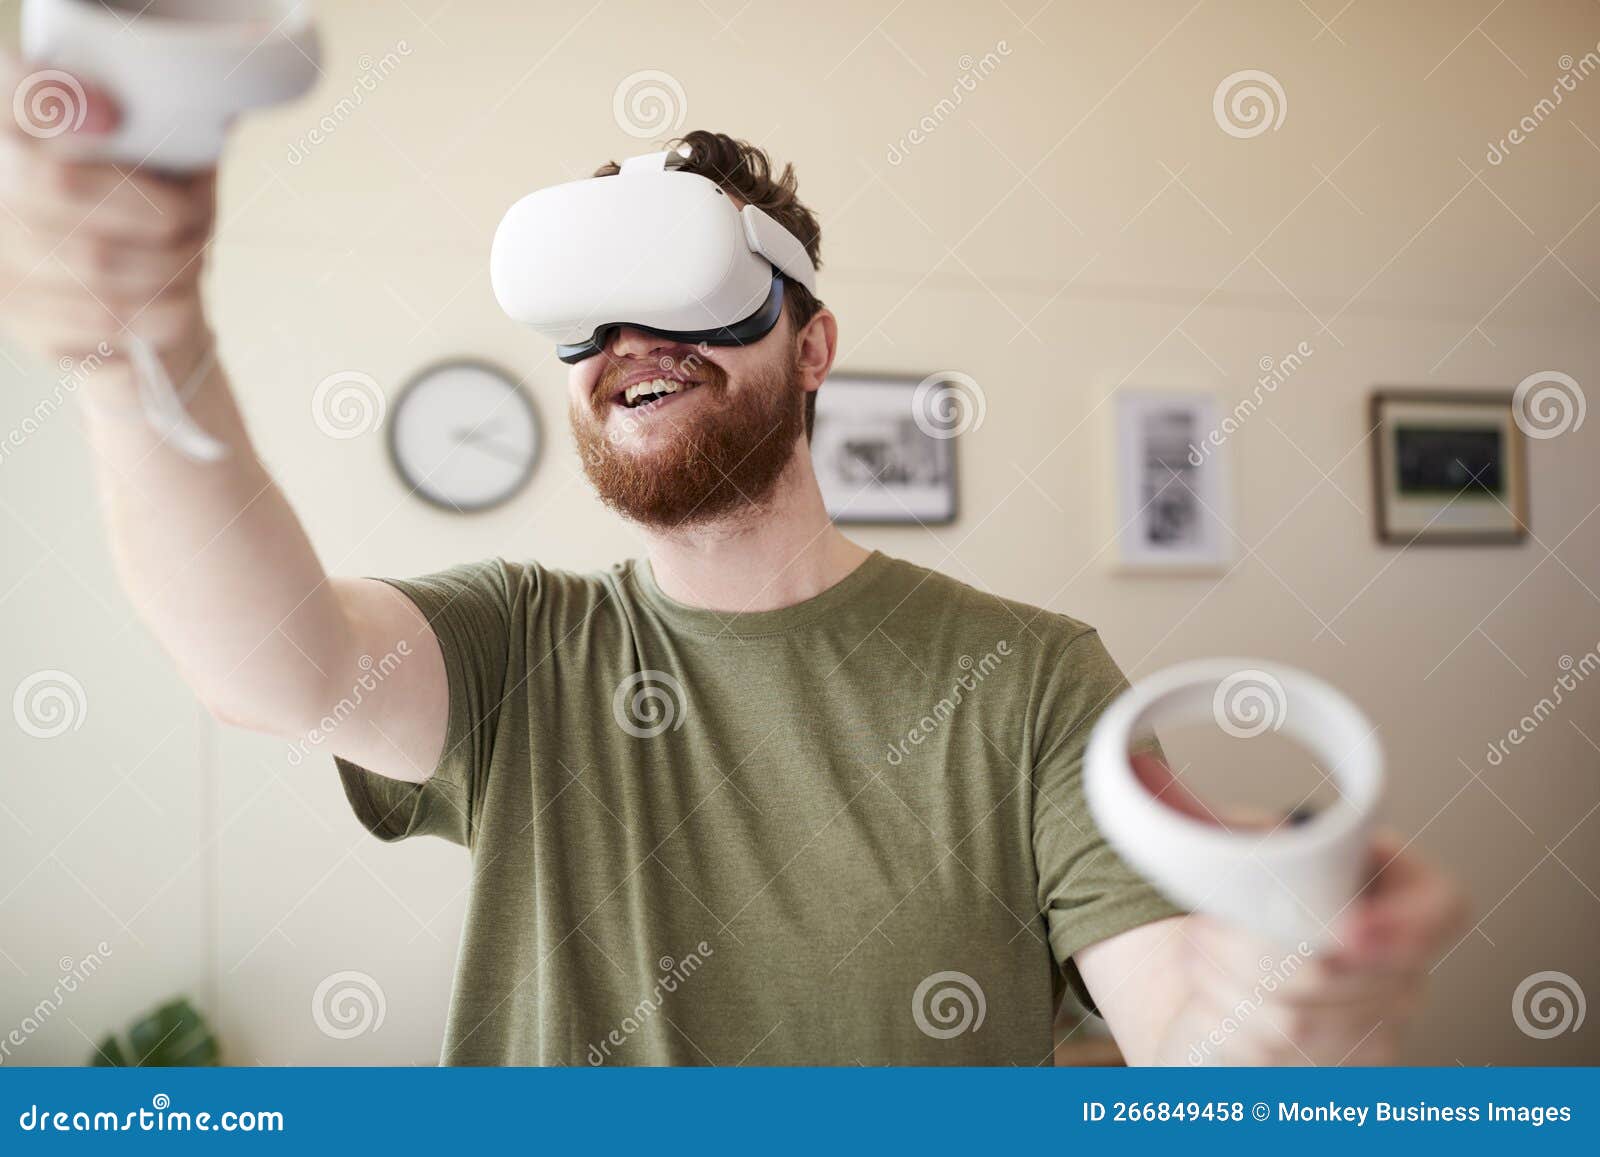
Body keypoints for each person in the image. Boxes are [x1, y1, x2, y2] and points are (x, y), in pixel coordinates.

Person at [0, 67, 1465, 1065]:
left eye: (687, 294)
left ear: (810, 343)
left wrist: (1287, 1006)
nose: (628, 341)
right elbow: (272, 669)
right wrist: (136, 352)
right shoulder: (520, 647)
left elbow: (1187, 1027)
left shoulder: (1029, 679)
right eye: (586, 315)